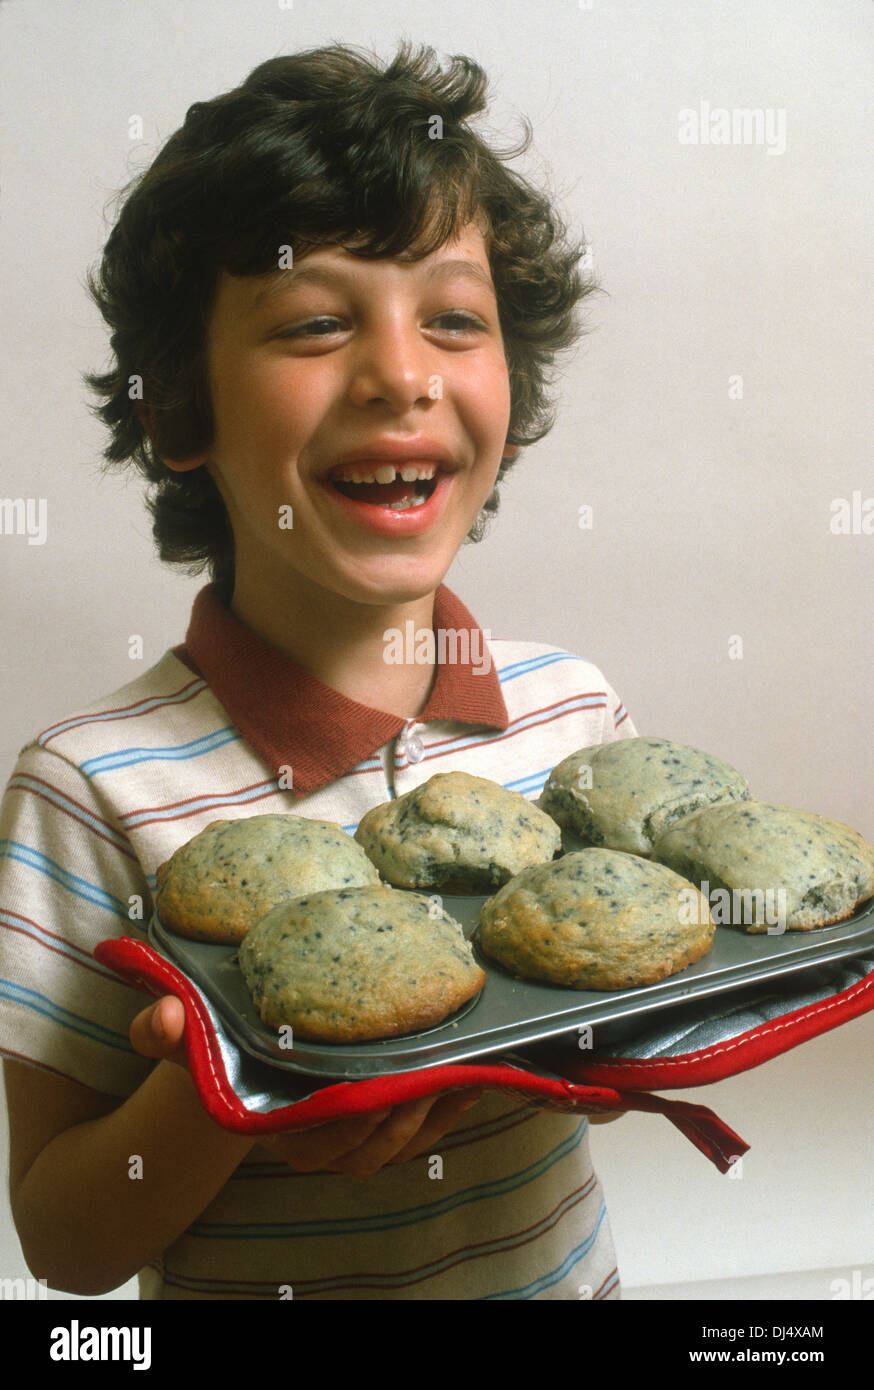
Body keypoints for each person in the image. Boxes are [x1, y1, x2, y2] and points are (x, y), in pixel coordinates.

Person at [0, 40, 636, 1301]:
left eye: (454, 318)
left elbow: (613, 1048)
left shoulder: (576, 718)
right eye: (312, 323)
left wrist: (574, 1048)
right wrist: (233, 1089)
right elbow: (66, 1245)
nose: (402, 374)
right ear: (179, 405)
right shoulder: (89, 792)